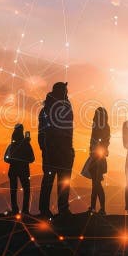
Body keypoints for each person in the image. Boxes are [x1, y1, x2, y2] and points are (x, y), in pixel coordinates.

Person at [38, 82, 75, 217]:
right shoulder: (54, 109)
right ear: (60, 91)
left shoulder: (48, 109)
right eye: (65, 90)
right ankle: (55, 209)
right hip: (55, 152)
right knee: (55, 180)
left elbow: (67, 130)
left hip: (57, 152)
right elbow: (44, 132)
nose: (67, 92)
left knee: (58, 180)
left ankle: (54, 209)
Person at [4, 124, 35, 215]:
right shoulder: (26, 145)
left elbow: (6, 158)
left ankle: (15, 210)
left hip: (13, 169)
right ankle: (25, 210)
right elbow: (32, 159)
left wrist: (14, 161)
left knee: (13, 190)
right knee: (26, 189)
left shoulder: (11, 145)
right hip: (24, 169)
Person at [87, 107, 110, 215]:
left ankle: (99, 208)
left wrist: (94, 151)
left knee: (96, 184)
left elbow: (102, 142)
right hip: (97, 158)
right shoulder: (101, 126)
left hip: (98, 159)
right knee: (96, 184)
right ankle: (95, 208)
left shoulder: (102, 127)